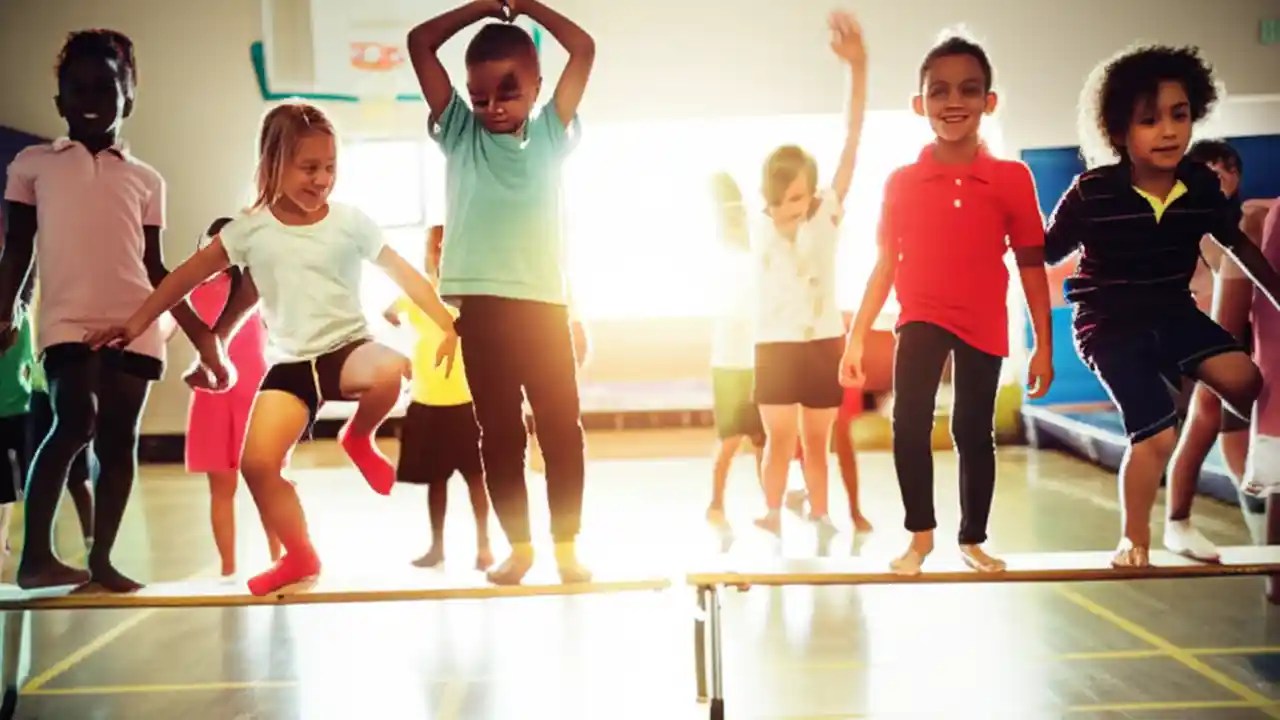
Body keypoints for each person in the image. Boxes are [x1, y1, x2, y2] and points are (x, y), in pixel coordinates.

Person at [87, 101, 459, 596]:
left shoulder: (350, 222)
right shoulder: (250, 231)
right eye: (308, 168)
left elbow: (404, 274)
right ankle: (300, 555)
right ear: (273, 165)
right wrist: (134, 323)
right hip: (290, 367)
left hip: (347, 348)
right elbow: (180, 279)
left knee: (393, 368)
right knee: (257, 465)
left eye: (329, 167)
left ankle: (358, 437)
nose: (321, 179)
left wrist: (447, 325)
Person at [0, 29, 230, 591]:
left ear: (129, 97)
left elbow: (156, 268)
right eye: (75, 89)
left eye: (105, 87)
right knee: (74, 419)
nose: (90, 99)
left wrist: (203, 337)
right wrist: (5, 311)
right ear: (58, 101)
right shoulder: (33, 166)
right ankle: (36, 556)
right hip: (65, 321)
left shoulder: (147, 179)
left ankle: (102, 559)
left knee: (118, 439)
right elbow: (18, 249)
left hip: (138, 320)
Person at [1043, 44, 1280, 567]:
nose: (1169, 131)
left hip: (1173, 315)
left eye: (1180, 115)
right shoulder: (1093, 192)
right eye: (1149, 121)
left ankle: (1208, 475)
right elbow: (1044, 251)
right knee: (1154, 436)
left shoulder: (1198, 186)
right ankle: (1134, 538)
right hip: (1109, 323)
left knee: (1245, 379)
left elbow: (1239, 246)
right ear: (1119, 131)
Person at [842, 35, 1054, 575]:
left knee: (972, 428)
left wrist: (1043, 348)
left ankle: (973, 538)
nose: (953, 101)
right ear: (920, 104)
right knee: (908, 422)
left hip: (983, 320)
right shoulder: (903, 182)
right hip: (922, 315)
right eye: (938, 91)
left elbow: (1031, 266)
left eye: (968, 89)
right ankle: (920, 536)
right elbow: (885, 264)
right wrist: (857, 335)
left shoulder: (1011, 178)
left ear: (990, 100)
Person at [407, 0, 596, 585]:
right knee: (500, 433)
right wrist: (486, 8)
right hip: (481, 312)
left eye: (507, 94)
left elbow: (583, 49)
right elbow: (420, 42)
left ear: (537, 85)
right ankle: (520, 546)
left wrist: (530, 9)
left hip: (544, 308)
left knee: (561, 428)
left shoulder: (550, 134)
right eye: (480, 95)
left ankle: (566, 546)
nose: (491, 107)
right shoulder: (461, 133)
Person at [750, 11, 867, 542]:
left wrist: (857, 69)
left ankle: (821, 514)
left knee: (817, 442)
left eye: (800, 197)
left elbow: (852, 139)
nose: (792, 209)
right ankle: (773, 512)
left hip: (823, 341)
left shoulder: (826, 213)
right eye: (783, 200)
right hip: (773, 345)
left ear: (813, 192)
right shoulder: (758, 228)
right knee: (778, 440)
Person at [1167, 140, 1275, 552]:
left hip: (1245, 337)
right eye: (1210, 172)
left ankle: (1254, 512)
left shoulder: (1247, 219)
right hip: (1208, 339)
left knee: (1233, 424)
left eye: (1228, 171)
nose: (1221, 178)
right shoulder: (1187, 228)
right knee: (1205, 416)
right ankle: (1180, 517)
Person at [385, 225, 493, 571]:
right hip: (429, 399)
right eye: (435, 248)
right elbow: (389, 312)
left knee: (477, 479)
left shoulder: (471, 293)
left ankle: (484, 546)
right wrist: (403, 346)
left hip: (468, 401)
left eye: (445, 248)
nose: (440, 254)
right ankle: (437, 547)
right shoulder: (421, 292)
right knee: (437, 481)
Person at [186, 217, 281, 577]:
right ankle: (228, 569)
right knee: (221, 487)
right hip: (212, 391)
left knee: (266, 479)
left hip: (252, 389)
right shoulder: (192, 289)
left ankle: (279, 556)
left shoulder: (254, 288)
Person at [706, 172, 765, 538]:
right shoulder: (722, 259)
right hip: (729, 363)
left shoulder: (757, 254)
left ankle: (771, 505)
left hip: (758, 361)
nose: (736, 223)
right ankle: (715, 504)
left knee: (762, 440)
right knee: (730, 441)